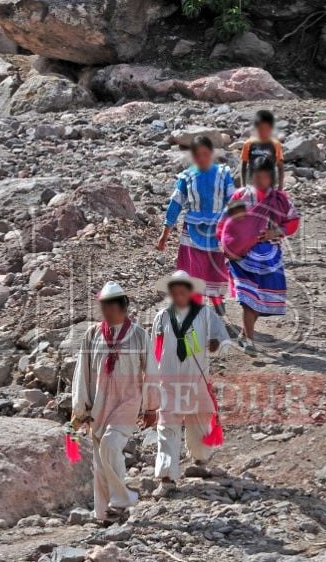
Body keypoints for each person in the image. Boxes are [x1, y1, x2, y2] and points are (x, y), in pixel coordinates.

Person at [145, 270, 230, 498]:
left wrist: (216, 345)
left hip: (196, 380)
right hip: (168, 382)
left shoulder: (205, 314)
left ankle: (200, 460)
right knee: (166, 427)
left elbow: (224, 340)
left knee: (199, 421)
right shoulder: (162, 317)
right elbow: (154, 349)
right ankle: (167, 478)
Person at [71, 282, 149, 522]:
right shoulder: (92, 335)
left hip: (127, 402)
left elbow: (152, 372)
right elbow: (82, 371)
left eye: (109, 306)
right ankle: (105, 514)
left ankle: (122, 500)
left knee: (110, 446)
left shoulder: (139, 335)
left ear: (121, 306)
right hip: (98, 404)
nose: (104, 311)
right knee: (100, 460)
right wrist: (80, 407)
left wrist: (151, 406)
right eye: (102, 306)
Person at [219, 156, 299, 354]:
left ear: (271, 177)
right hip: (243, 256)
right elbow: (225, 222)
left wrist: (275, 232)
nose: (261, 180)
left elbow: (293, 222)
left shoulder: (280, 199)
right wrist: (226, 245)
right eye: (257, 176)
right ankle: (249, 340)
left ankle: (245, 334)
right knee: (247, 298)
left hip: (270, 257)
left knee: (258, 299)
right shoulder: (241, 196)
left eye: (265, 176)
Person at [156, 136, 235, 314]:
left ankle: (217, 302)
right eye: (197, 155)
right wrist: (165, 233)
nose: (202, 158)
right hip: (192, 231)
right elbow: (176, 203)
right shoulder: (187, 176)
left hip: (217, 230)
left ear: (211, 154)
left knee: (216, 266)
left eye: (205, 154)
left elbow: (233, 201)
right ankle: (197, 308)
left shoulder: (223, 174)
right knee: (194, 270)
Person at [240, 109, 284, 189]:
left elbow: (280, 167)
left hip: (270, 186)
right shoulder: (248, 144)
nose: (263, 131)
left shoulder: (275, 144)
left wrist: (280, 187)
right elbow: (243, 166)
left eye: (266, 128)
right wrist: (243, 185)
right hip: (252, 185)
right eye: (261, 128)